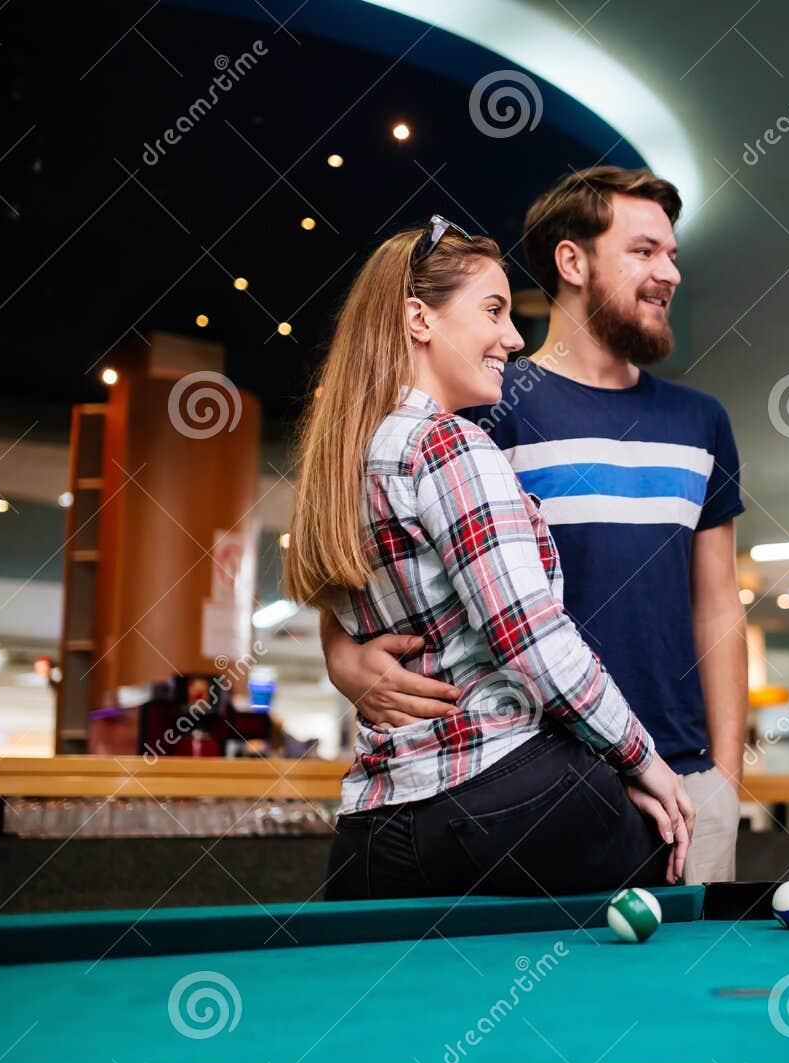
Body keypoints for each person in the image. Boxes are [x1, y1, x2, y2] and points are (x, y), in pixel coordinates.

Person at [321, 168, 749, 883]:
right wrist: (341, 656)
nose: (669, 272)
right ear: (572, 262)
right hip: (547, 778)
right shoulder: (480, 412)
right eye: (644, 251)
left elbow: (719, 606)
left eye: (673, 254)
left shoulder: (702, 422)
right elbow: (373, 555)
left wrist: (726, 779)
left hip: (683, 780)